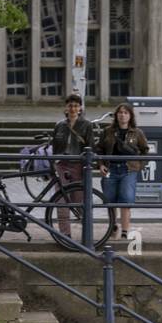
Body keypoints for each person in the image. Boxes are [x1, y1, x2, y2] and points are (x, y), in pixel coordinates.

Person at [97, 102, 149, 240]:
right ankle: (113, 227)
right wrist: (101, 164)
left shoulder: (137, 133)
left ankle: (125, 231)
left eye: (126, 113)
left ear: (130, 116)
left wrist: (139, 166)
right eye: (120, 112)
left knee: (125, 200)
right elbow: (99, 149)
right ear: (116, 115)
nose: (122, 115)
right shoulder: (107, 131)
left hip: (128, 170)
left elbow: (145, 151)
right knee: (110, 200)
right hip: (110, 169)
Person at [51, 93, 94, 238]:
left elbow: (90, 146)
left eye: (76, 106)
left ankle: (86, 234)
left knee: (78, 202)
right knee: (61, 201)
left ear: (80, 108)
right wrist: (55, 162)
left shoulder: (86, 125)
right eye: (70, 105)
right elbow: (55, 146)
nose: (73, 108)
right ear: (66, 107)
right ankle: (65, 234)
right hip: (62, 166)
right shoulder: (60, 125)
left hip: (78, 166)